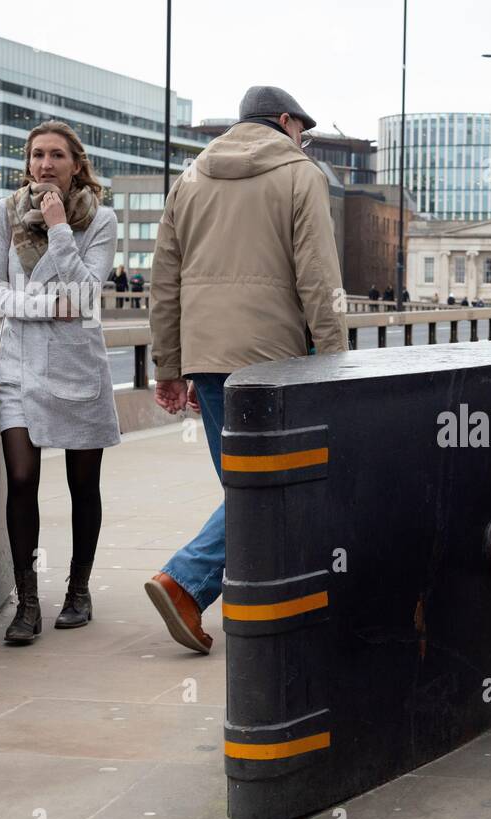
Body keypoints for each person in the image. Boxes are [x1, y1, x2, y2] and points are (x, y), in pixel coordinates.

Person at [146, 85, 348, 655]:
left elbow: (165, 279)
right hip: (275, 360)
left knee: (247, 487)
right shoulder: (299, 173)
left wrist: (169, 365)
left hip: (207, 359)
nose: (301, 140)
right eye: (300, 130)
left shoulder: (190, 178)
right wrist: (334, 361)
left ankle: (251, 601)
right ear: (285, 121)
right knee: (263, 490)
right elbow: (318, 276)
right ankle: (185, 582)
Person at [0, 120, 120, 644]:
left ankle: (78, 589)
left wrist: (59, 225)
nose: (44, 164)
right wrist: (41, 307)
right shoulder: (5, 213)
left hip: (77, 368)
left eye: (56, 155)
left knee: (83, 485)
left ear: (76, 164)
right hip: (18, 368)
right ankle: (27, 602)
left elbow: (84, 295)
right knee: (21, 481)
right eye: (37, 154)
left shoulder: (99, 220)